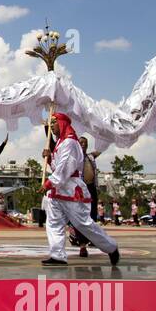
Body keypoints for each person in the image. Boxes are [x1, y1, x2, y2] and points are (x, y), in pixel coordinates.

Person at [40, 112, 120, 266]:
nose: (52, 127)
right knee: (54, 222)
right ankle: (57, 255)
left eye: (54, 123)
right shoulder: (60, 143)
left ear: (62, 123)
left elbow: (65, 168)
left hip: (70, 188)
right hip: (58, 190)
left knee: (83, 223)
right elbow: (58, 167)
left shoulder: (70, 142)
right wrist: (50, 159)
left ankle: (111, 247)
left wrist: (49, 183)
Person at [69, 137, 101, 257]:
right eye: (81, 142)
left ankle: (92, 238)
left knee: (92, 215)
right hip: (79, 189)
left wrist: (106, 134)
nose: (83, 144)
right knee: (79, 216)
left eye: (85, 143)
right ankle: (82, 245)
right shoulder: (74, 157)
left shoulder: (90, 157)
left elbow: (101, 149)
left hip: (91, 188)